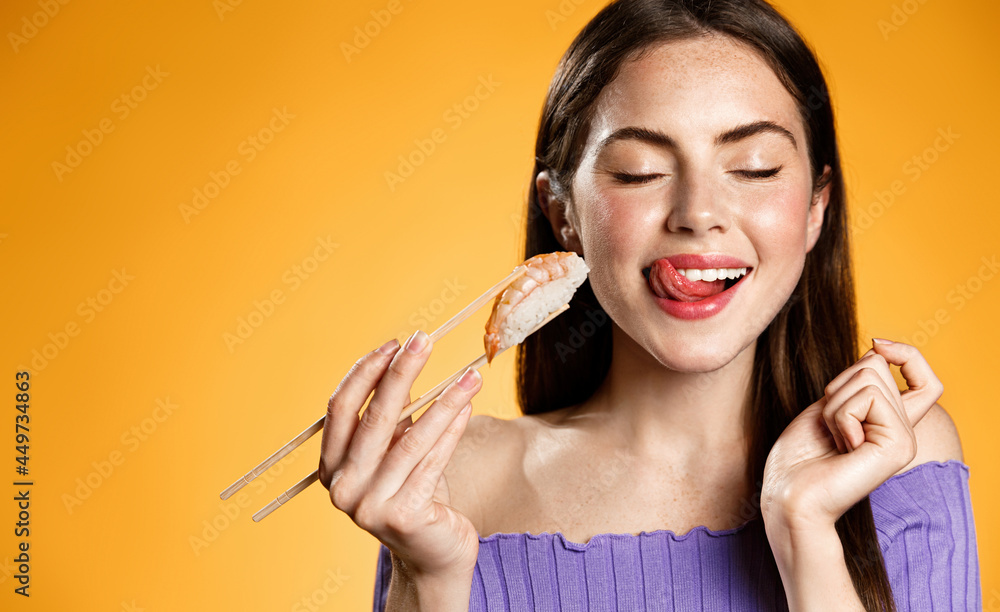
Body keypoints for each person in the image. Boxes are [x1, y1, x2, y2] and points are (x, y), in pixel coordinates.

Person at [318, 0, 981, 610]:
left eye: (753, 167)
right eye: (639, 171)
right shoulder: (457, 481)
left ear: (816, 208)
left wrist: (802, 527)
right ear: (564, 215)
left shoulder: (893, 455)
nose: (698, 215)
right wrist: (427, 580)